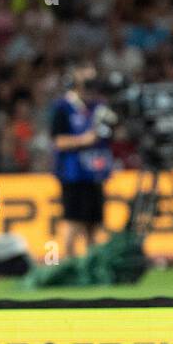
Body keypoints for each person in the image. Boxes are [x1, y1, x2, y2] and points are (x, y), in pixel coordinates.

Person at [49, 65, 113, 258]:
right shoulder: (63, 107)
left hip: (95, 173)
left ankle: (91, 269)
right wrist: (84, 140)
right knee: (73, 221)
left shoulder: (100, 108)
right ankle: (69, 265)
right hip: (73, 174)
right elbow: (58, 141)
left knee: (94, 224)